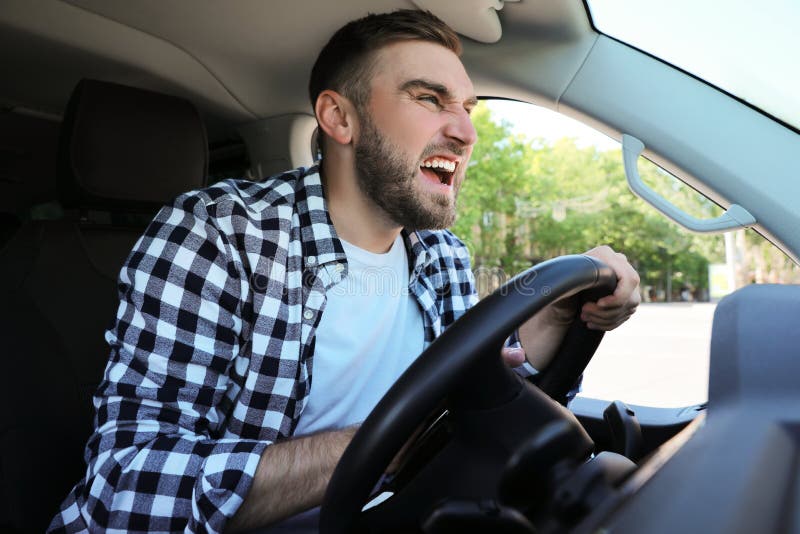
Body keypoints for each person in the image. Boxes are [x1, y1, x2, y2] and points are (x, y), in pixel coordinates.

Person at [49, 9, 640, 533]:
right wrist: (384, 444)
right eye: (429, 99)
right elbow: (124, 492)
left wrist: (561, 311)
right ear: (339, 117)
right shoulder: (220, 234)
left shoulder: (442, 255)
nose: (465, 131)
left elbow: (482, 384)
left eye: (467, 107)